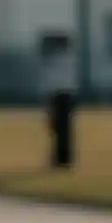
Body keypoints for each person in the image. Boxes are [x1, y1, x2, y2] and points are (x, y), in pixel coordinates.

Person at [40, 34, 77, 169]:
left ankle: (58, 158)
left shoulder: (53, 60)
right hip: (68, 94)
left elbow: (50, 80)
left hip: (58, 94)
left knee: (56, 128)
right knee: (66, 129)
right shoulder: (70, 59)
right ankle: (65, 158)